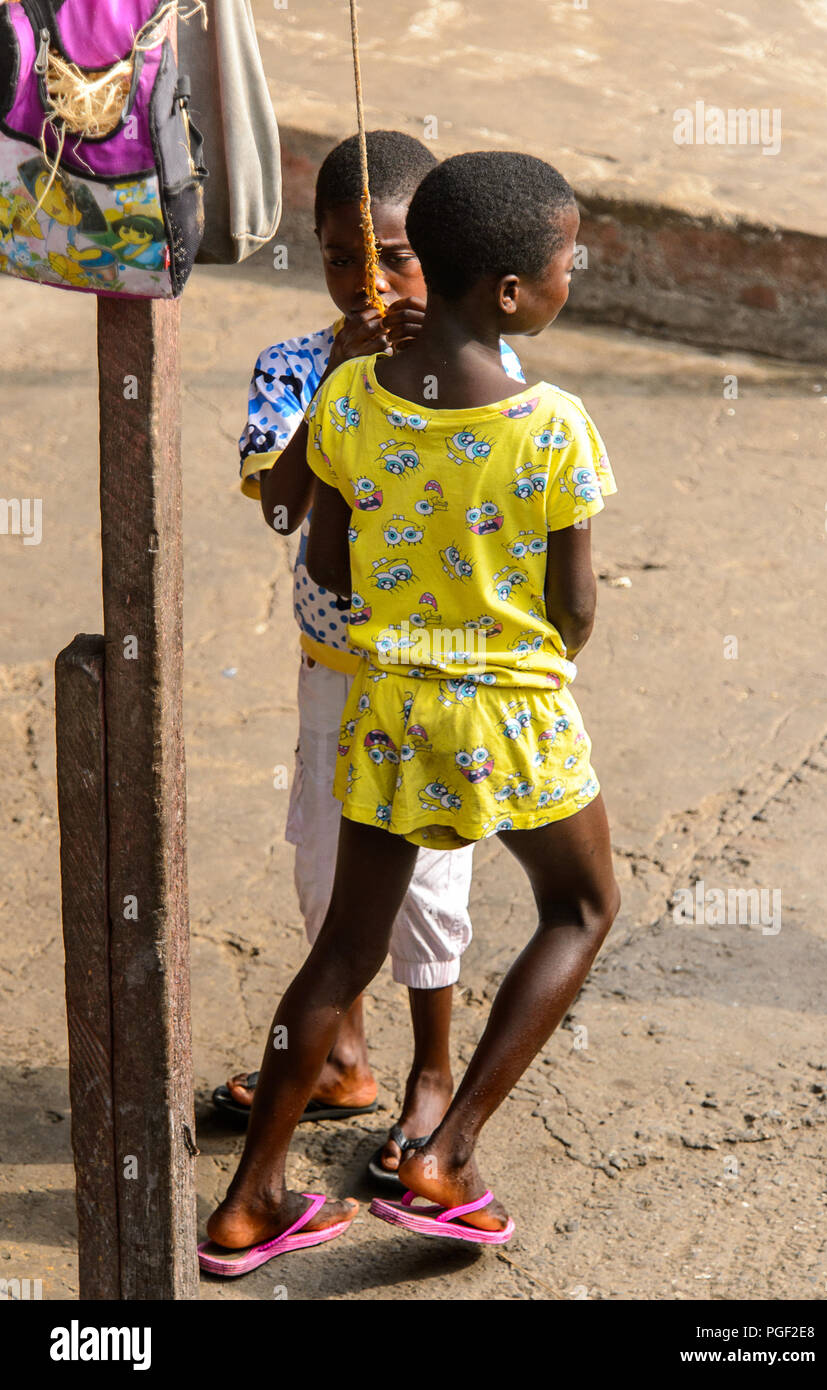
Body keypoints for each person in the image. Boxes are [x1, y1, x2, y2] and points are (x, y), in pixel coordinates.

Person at [199, 150, 620, 1274]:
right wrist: (526, 648)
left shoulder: (343, 396)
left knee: (343, 950)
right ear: (514, 295)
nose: (570, 274)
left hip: (388, 705)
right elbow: (571, 610)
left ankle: (251, 1202)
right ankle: (447, 1150)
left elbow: (326, 557)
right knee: (580, 908)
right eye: (563, 261)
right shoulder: (557, 425)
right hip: (510, 714)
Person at [215, 130, 526, 1186]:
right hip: (333, 665)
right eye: (343, 257)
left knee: (430, 879)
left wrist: (407, 377)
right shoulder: (297, 367)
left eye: (394, 256)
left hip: (438, 674)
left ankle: (430, 1072)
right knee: (322, 867)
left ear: (436, 255)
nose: (369, 280)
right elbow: (282, 502)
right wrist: (340, 384)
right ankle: (341, 1053)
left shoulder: (483, 367)